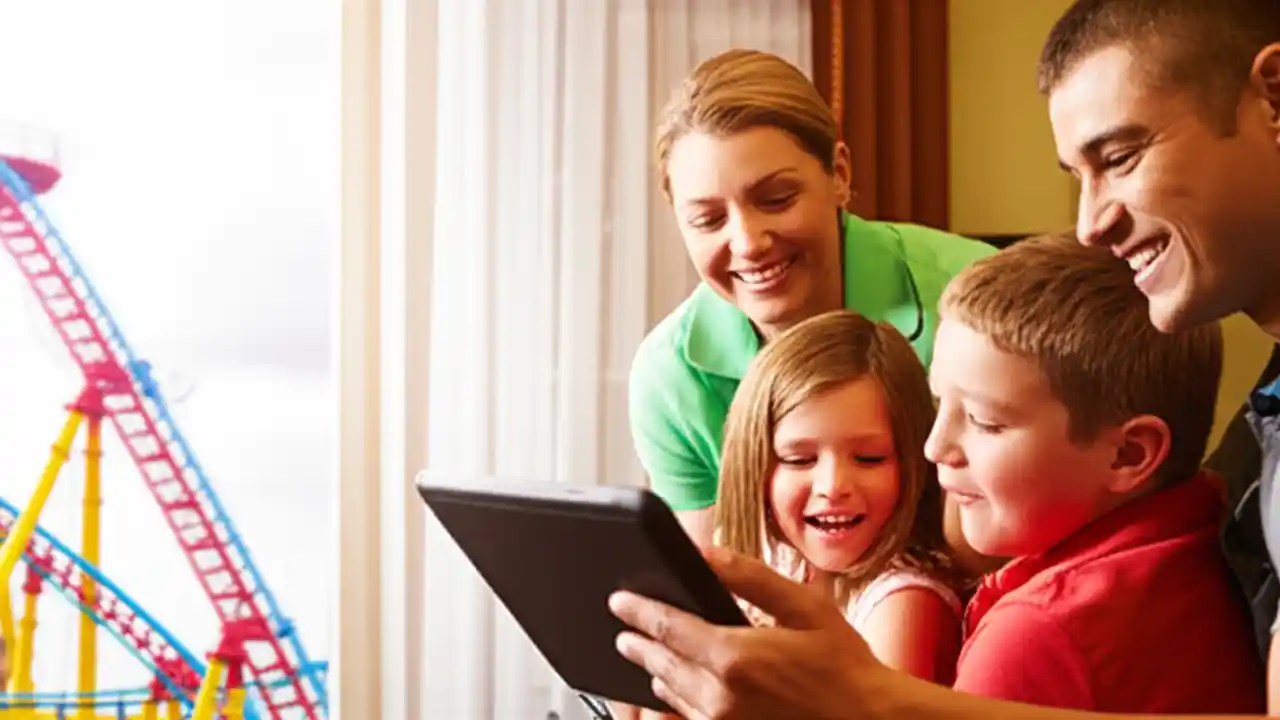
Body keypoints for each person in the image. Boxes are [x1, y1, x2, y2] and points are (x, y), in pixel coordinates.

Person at [608, 1, 1280, 717]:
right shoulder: (1245, 456)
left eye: (1120, 158)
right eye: (707, 218)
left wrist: (870, 697)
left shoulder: (970, 300)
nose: (1090, 225)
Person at [628, 47, 995, 548]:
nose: (748, 242)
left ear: (839, 174)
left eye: (776, 200)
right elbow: (725, 582)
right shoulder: (671, 378)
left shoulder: (974, 302)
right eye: (708, 220)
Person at [930, 235, 1260, 711]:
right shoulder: (1214, 533)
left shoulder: (1035, 636)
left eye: (985, 421)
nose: (935, 445)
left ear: (1128, 454)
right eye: (940, 401)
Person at [717, 310, 966, 683]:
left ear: (914, 461)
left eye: (869, 458)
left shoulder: (903, 604)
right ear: (755, 466)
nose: (832, 486)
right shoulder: (774, 560)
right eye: (798, 459)